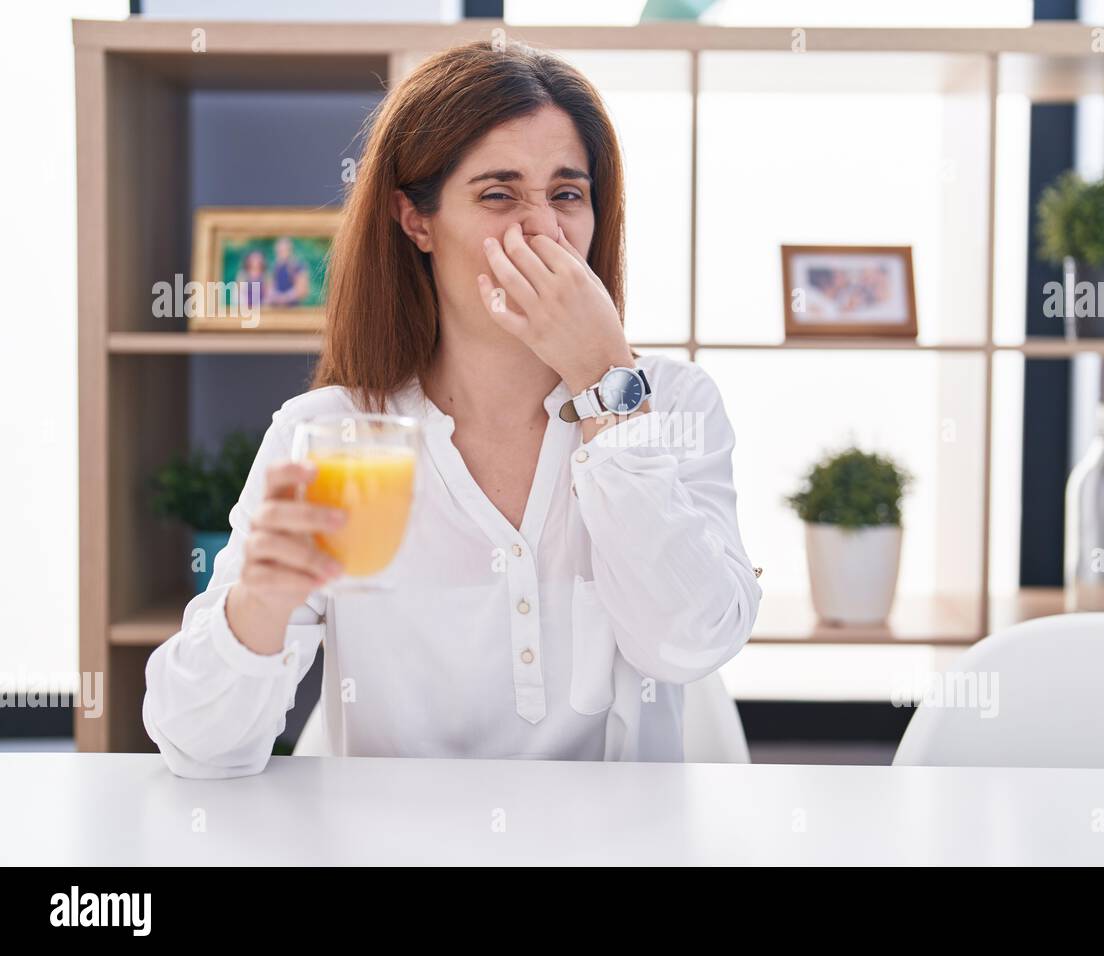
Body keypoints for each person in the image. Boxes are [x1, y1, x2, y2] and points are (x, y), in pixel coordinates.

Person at [142, 39, 763, 777]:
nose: (544, 230)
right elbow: (196, 749)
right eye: (499, 194)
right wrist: (262, 601)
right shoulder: (328, 434)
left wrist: (604, 381)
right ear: (417, 221)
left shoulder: (673, 403)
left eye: (567, 193)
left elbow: (688, 643)